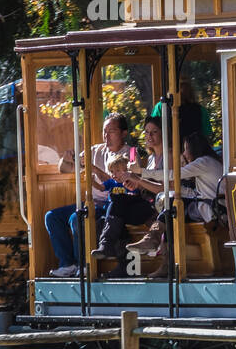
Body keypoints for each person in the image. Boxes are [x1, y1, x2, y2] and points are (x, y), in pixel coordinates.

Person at [43, 113, 134, 277]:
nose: (106, 136)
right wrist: (66, 159)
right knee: (52, 217)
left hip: (111, 205)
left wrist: (93, 168)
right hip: (90, 202)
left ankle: (83, 265)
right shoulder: (96, 150)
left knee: (76, 218)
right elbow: (64, 169)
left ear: (123, 133)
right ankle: (68, 264)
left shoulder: (130, 153)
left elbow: (117, 181)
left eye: (111, 131)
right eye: (104, 131)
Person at [126, 133, 224, 270]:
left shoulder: (204, 162)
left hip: (213, 209)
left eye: (186, 149)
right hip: (213, 207)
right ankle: (163, 259)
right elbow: (194, 193)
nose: (184, 153)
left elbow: (173, 175)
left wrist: (141, 172)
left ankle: (155, 244)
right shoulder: (209, 162)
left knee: (172, 207)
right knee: (171, 213)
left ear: (194, 149)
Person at [90, 117, 165, 264]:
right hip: (136, 202)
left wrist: (136, 180)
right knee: (112, 212)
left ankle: (108, 247)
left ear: (124, 133)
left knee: (115, 207)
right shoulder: (151, 158)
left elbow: (139, 178)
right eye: (146, 132)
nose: (149, 136)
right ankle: (122, 263)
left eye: (154, 132)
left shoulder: (131, 152)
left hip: (154, 206)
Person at [150, 78, 212, 145]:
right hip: (167, 149)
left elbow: (206, 138)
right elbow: (151, 131)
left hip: (193, 149)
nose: (182, 90)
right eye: (179, 86)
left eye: (185, 86)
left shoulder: (200, 110)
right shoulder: (161, 107)